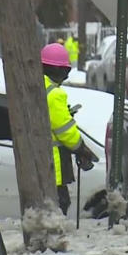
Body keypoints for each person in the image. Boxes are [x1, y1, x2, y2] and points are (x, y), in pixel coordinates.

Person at [41, 43, 98, 214]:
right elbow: (65, 131)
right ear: (60, 71)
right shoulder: (55, 94)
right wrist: (82, 149)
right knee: (60, 204)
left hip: (40, 162)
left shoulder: (39, 87)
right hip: (55, 165)